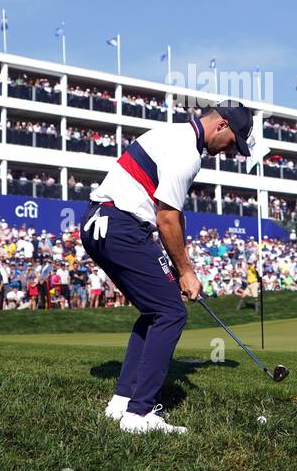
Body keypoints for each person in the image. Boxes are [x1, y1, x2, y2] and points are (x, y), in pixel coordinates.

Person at [81, 100, 262, 434]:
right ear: (221, 126)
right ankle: (139, 414)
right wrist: (185, 271)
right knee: (171, 314)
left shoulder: (175, 135)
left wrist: (179, 266)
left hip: (101, 223)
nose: (228, 151)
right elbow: (166, 218)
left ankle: (121, 403)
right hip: (120, 225)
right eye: (233, 143)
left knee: (155, 311)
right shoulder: (187, 153)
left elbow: (171, 215)